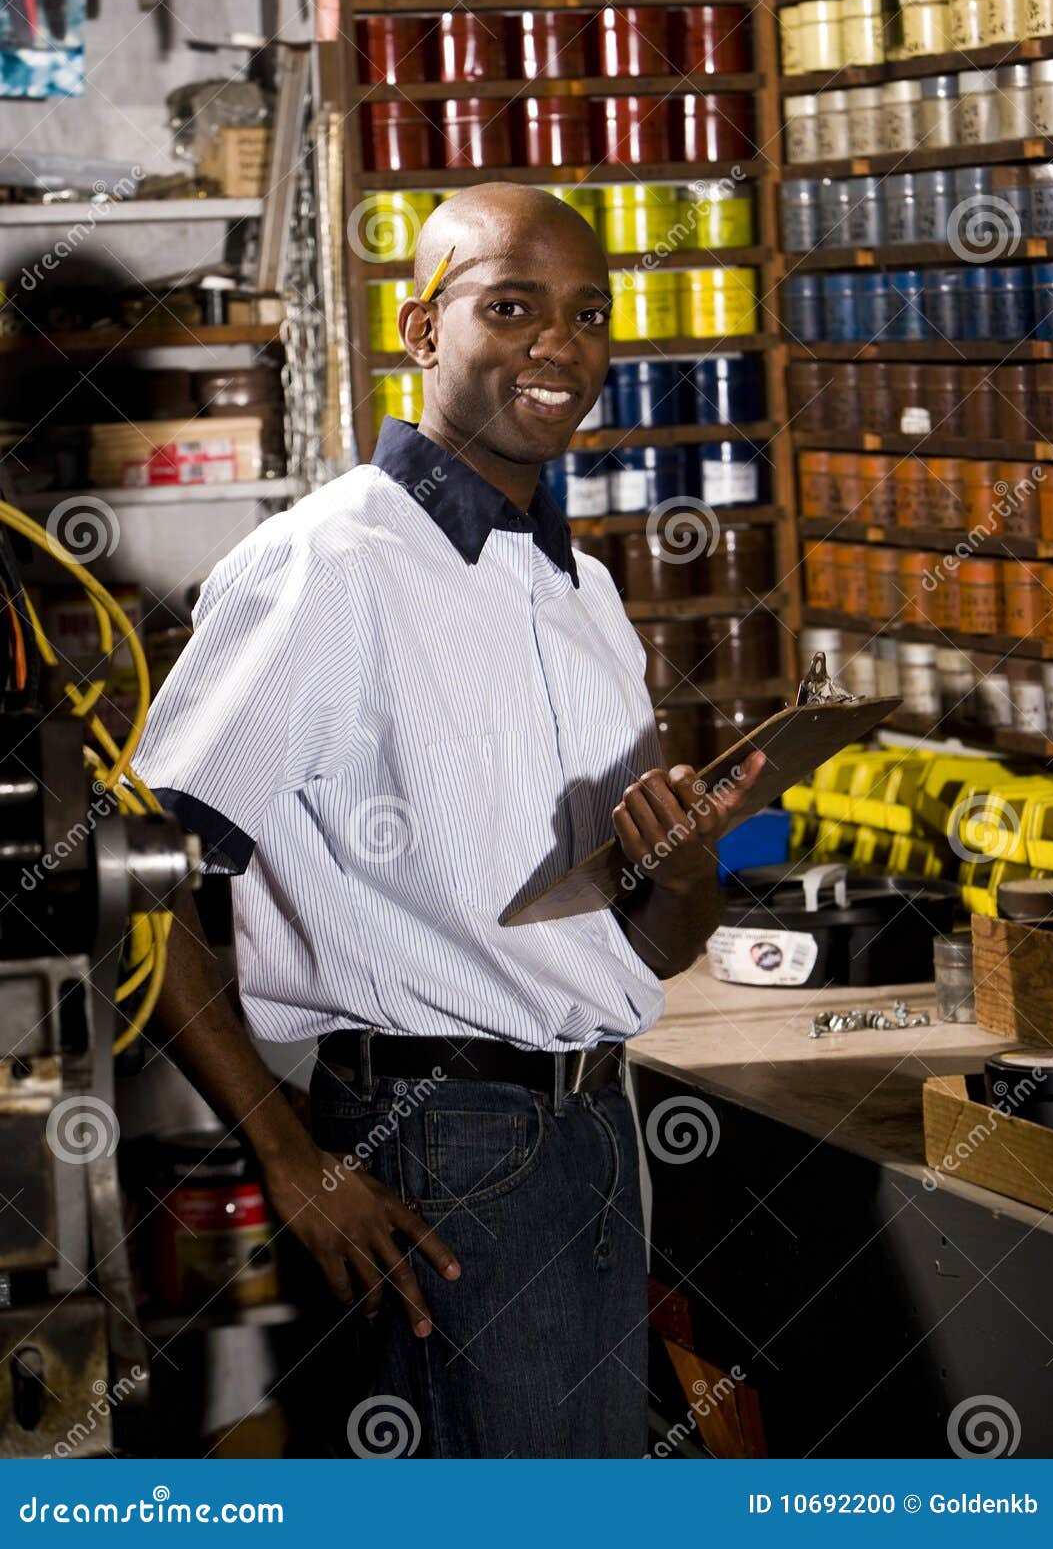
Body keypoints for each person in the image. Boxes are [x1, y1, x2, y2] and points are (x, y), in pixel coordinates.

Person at [130, 182, 764, 1458]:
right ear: (422, 331)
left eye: (587, 314)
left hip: (595, 1125)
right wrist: (291, 1158)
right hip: (436, 1139)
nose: (558, 345)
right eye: (511, 306)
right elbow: (133, 889)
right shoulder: (327, 565)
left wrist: (681, 860)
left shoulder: (581, 592)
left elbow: (651, 944)